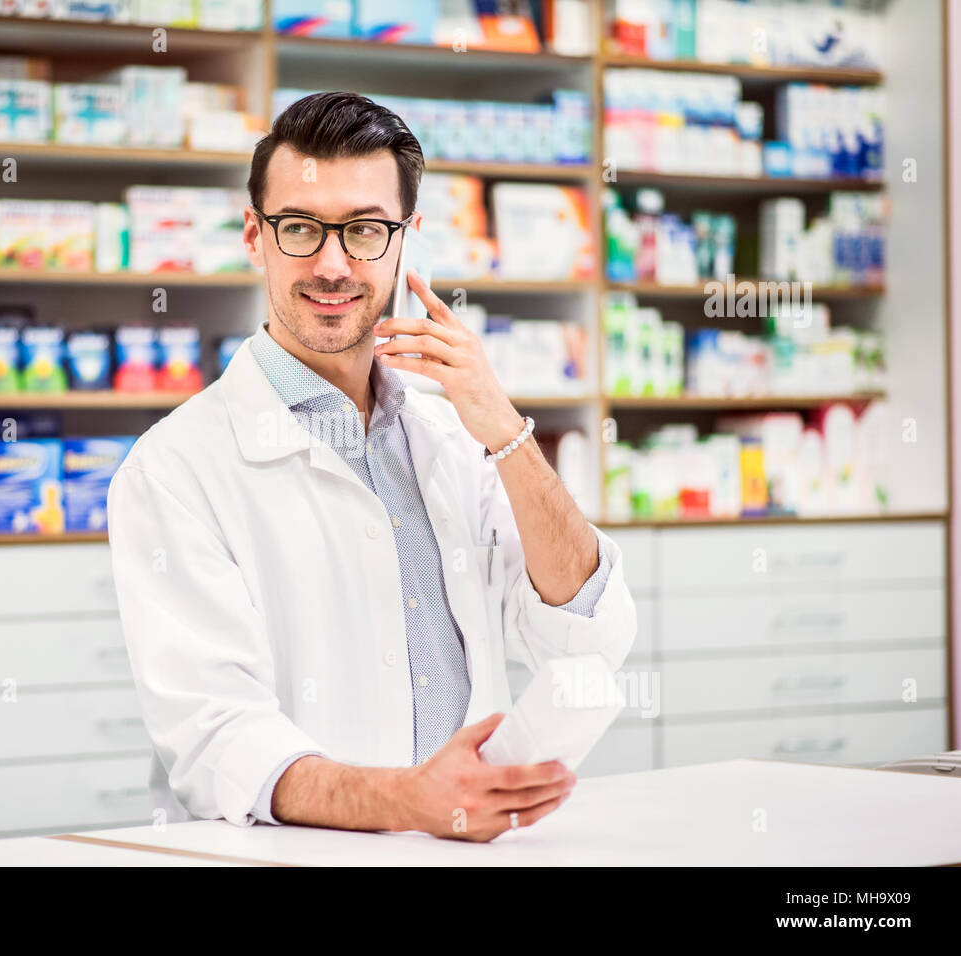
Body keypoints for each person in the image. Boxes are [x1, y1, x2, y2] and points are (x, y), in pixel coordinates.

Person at [106, 91, 637, 842]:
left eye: (364, 231)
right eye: (300, 229)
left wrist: (507, 430)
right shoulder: (175, 469)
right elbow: (215, 741)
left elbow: (588, 637)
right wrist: (407, 801)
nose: (332, 265)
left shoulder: (454, 433)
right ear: (255, 236)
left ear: (405, 238)